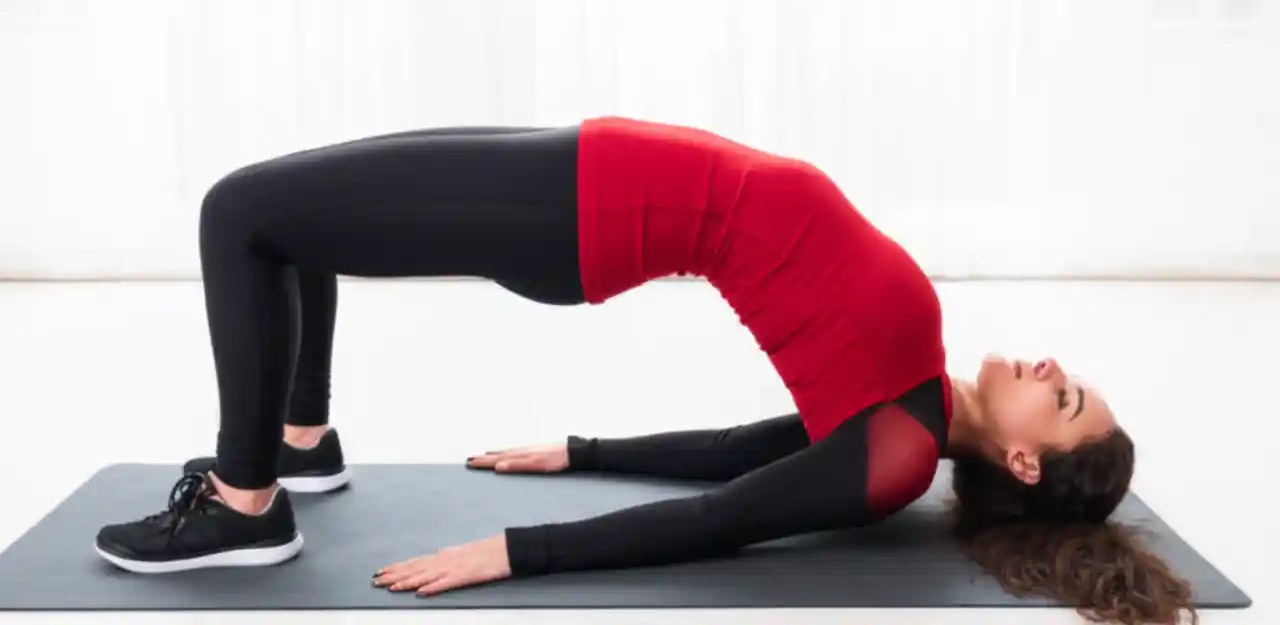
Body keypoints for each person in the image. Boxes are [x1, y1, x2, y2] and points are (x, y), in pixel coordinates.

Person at [94, 117, 1193, 624]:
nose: (1051, 369)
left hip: (578, 213)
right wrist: (580, 452)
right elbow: (742, 449)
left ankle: (246, 508)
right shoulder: (912, 387)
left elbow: (724, 515)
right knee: (289, 210)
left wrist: (511, 555)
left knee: (239, 213)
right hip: (585, 162)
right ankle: (301, 449)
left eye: (1061, 398)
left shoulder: (897, 451)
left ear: (1021, 459)